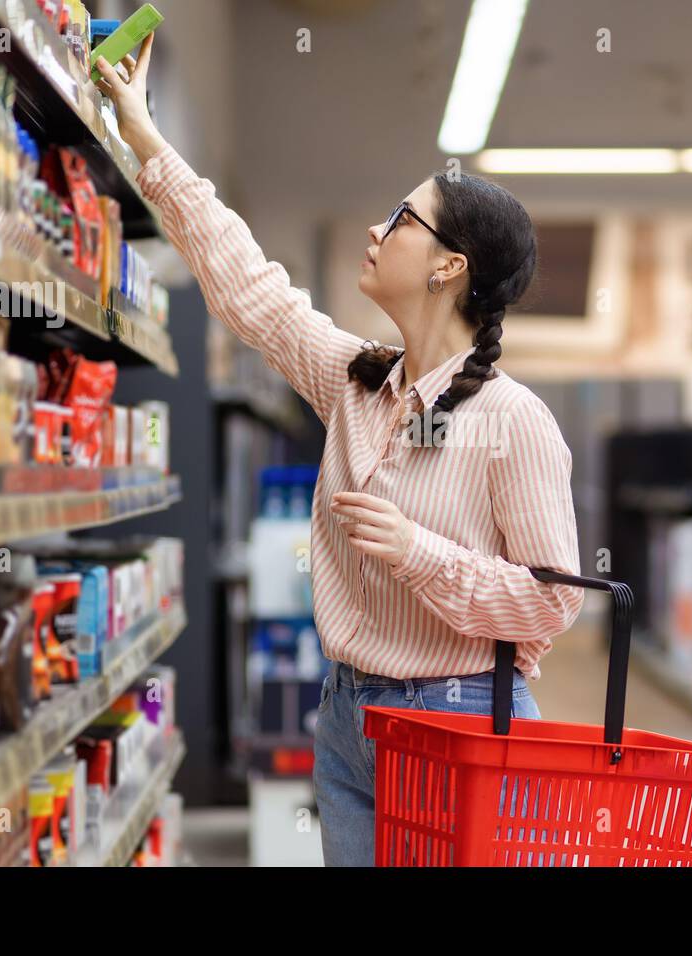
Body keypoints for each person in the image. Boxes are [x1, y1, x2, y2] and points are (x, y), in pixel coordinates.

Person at [96, 38, 585, 866]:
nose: (375, 228)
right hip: (347, 715)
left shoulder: (513, 420)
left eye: (401, 220)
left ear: (448, 269)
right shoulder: (356, 383)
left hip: (455, 719)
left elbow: (552, 603)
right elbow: (250, 288)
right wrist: (143, 133)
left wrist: (418, 552)